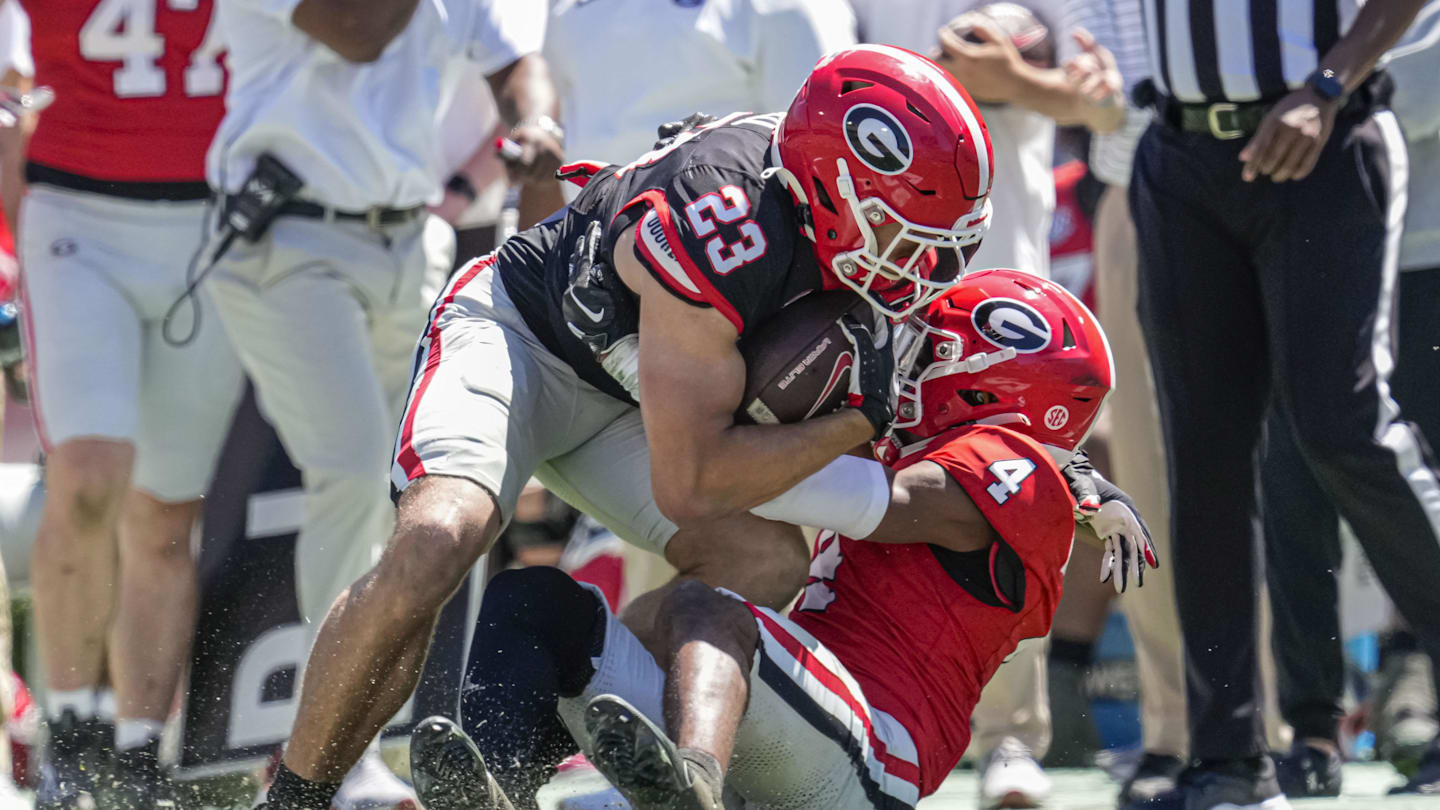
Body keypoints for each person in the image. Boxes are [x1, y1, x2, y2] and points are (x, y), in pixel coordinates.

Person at [254, 45, 993, 810]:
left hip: (630, 391)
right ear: (834, 191)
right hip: (524, 339)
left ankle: (564, 749)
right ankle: (298, 795)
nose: (925, 265)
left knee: (762, 562)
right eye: (900, 231)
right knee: (440, 536)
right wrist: (850, 425)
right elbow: (692, 483)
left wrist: (1054, 464)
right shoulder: (724, 218)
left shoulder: (808, 176)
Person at [407, 270, 1156, 810]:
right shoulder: (988, 460)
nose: (905, 356)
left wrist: (691, 440)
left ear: (988, 383)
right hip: (781, 727)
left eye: (929, 350)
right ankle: (497, 787)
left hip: (871, 761)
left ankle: (689, 783)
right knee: (535, 602)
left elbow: (877, 502)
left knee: (710, 607)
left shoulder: (1015, 473)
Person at [206, 0, 558, 803]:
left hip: (411, 240)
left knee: (412, 481)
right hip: (287, 238)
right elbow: (359, 31)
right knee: (356, 466)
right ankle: (320, 751)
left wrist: (535, 119)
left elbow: (514, 63)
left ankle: (345, 743)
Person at [1126, 0, 1440, 807]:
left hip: (1323, 141)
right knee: (1203, 459)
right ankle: (1228, 760)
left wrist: (1330, 83)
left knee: (1343, 427)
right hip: (1180, 155)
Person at [844, 4, 1124, 805]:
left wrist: (1014, 82)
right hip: (866, 275)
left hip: (999, 306)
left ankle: (1011, 739)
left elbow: (1105, 108)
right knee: (844, 494)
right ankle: (839, 712)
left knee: (1005, 503)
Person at [15, 0, 245, 805]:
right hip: (77, 211)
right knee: (85, 473)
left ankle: (141, 753)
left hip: (212, 226)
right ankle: (71, 736)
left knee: (164, 515)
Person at [1259, 4, 1440, 798]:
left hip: (1429, 262)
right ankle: (1309, 725)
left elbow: (1418, 88)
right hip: (1309, 253)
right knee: (1292, 478)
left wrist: (1314, 91)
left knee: (1414, 488)